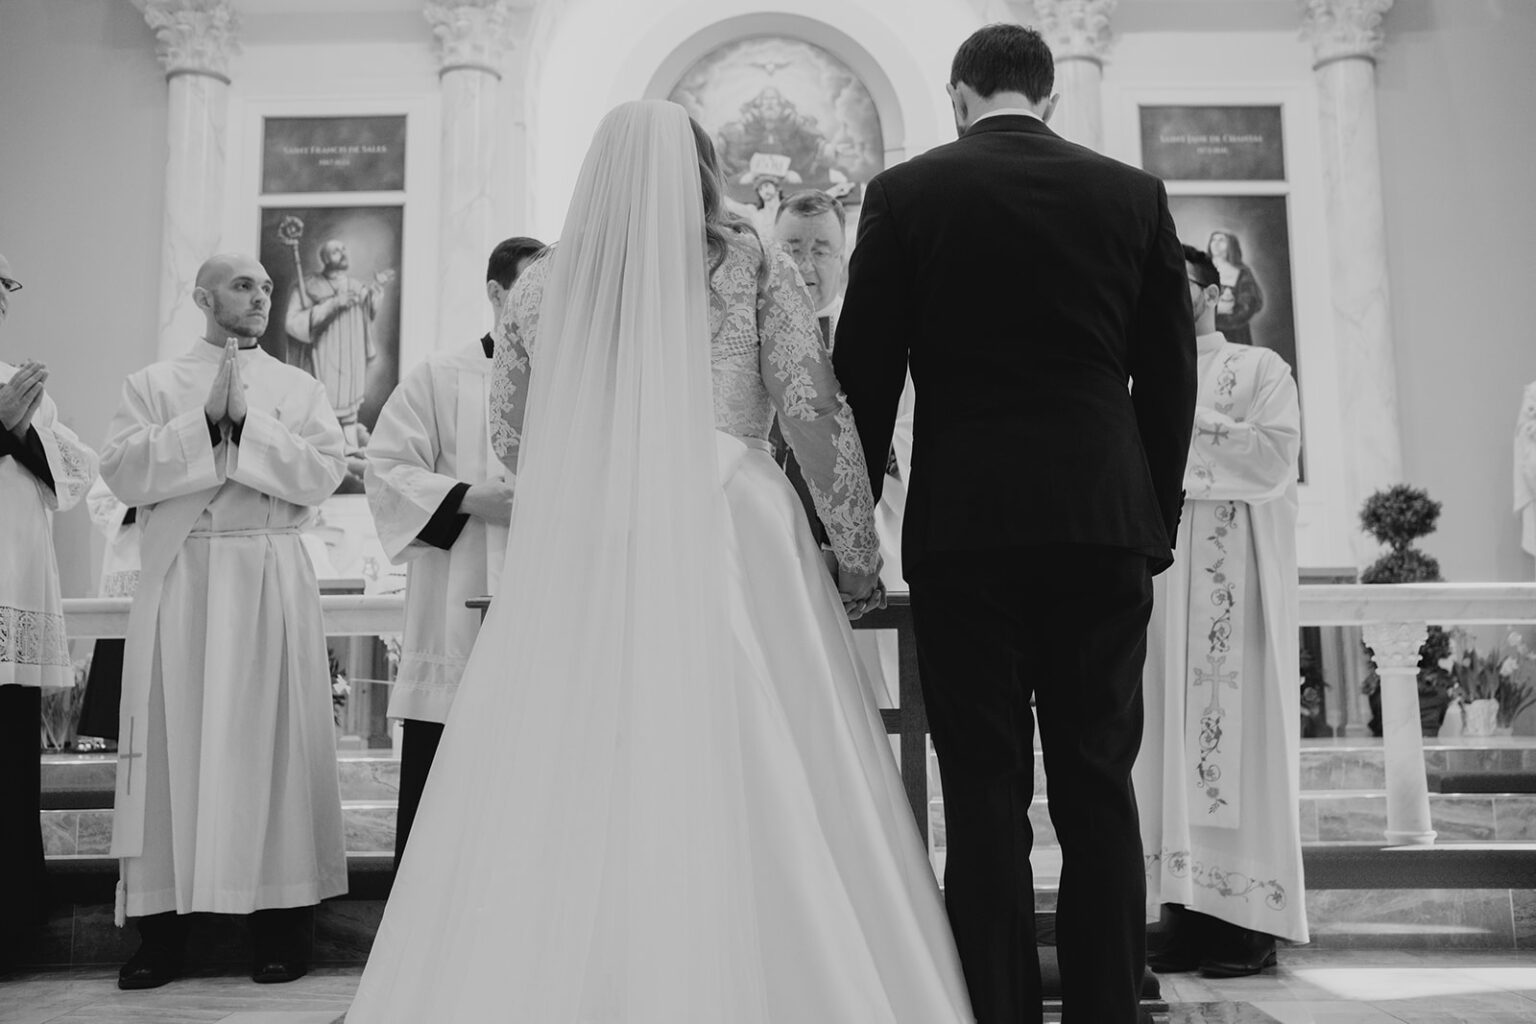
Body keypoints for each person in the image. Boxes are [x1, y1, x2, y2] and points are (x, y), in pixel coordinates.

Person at [346, 100, 974, 1023]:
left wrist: (604, 472)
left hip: (595, 533)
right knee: (760, 741)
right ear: (704, 168)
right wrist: (853, 550)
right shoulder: (744, 257)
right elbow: (809, 404)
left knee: (579, 754)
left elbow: (517, 441)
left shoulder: (534, 289)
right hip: (734, 518)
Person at [833, 24, 1197, 1024]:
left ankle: (992, 1009)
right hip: (1100, 522)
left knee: (985, 791)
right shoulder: (1132, 195)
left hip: (967, 529)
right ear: (1047, 97)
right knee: (1097, 783)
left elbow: (865, 376)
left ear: (957, 96)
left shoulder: (908, 194)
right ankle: (1104, 1012)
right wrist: (1149, 519)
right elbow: (1170, 379)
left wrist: (845, 529)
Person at [101, 253, 349, 990]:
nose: (262, 296)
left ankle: (280, 929)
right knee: (174, 750)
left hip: (267, 573)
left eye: (268, 287)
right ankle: (161, 938)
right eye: (244, 285)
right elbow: (119, 469)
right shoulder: (151, 384)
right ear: (203, 297)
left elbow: (323, 473)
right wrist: (206, 424)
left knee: (273, 749)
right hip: (185, 576)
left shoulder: (298, 386)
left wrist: (249, 428)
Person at [1136, 245, 1306, 977]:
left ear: (1210, 294)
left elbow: (1271, 459)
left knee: (1238, 751)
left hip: (1237, 594)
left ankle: (1245, 920)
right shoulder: (1132, 379)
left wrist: (1174, 418)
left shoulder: (1260, 370)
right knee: (1164, 745)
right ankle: (1177, 911)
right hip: (1159, 594)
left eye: (1182, 285)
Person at [364, 234, 543, 866]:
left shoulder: (576, 381)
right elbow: (385, 470)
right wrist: (470, 498)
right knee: (445, 772)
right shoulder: (441, 377)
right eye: (531, 289)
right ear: (496, 293)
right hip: (455, 600)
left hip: (546, 601)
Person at [772, 189, 913, 703]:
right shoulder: (752, 331)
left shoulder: (873, 332)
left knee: (867, 690)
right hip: (773, 524)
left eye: (821, 250)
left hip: (865, 530)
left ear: (844, 256)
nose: (805, 265)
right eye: (792, 247)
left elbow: (908, 425)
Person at [0, 252, 99, 972]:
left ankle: (14, 927)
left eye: (7, 282)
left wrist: (16, 425)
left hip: (14, 597)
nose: (4, 295)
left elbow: (73, 476)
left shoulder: (18, 381)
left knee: (10, 771)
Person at [285, 238, 396, 448]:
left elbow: (370, 309)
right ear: (325, 259)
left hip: (351, 359)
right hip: (325, 357)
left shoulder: (355, 286)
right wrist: (334, 304)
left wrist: (377, 288)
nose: (343, 253)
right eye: (337, 251)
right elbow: (293, 323)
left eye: (344, 249)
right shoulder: (308, 286)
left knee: (350, 415)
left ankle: (351, 451)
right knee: (326, 411)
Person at [73, 477, 144, 743]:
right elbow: (100, 502)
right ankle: (112, 735)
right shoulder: (132, 439)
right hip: (131, 562)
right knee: (120, 653)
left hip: (179, 560)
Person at [1208, 230, 1263, 346]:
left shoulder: (1242, 273)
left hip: (1235, 333)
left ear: (1231, 245)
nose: (1216, 243)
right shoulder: (1201, 270)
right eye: (1214, 240)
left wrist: (1219, 318)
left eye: (1221, 240)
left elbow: (1248, 306)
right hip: (1207, 332)